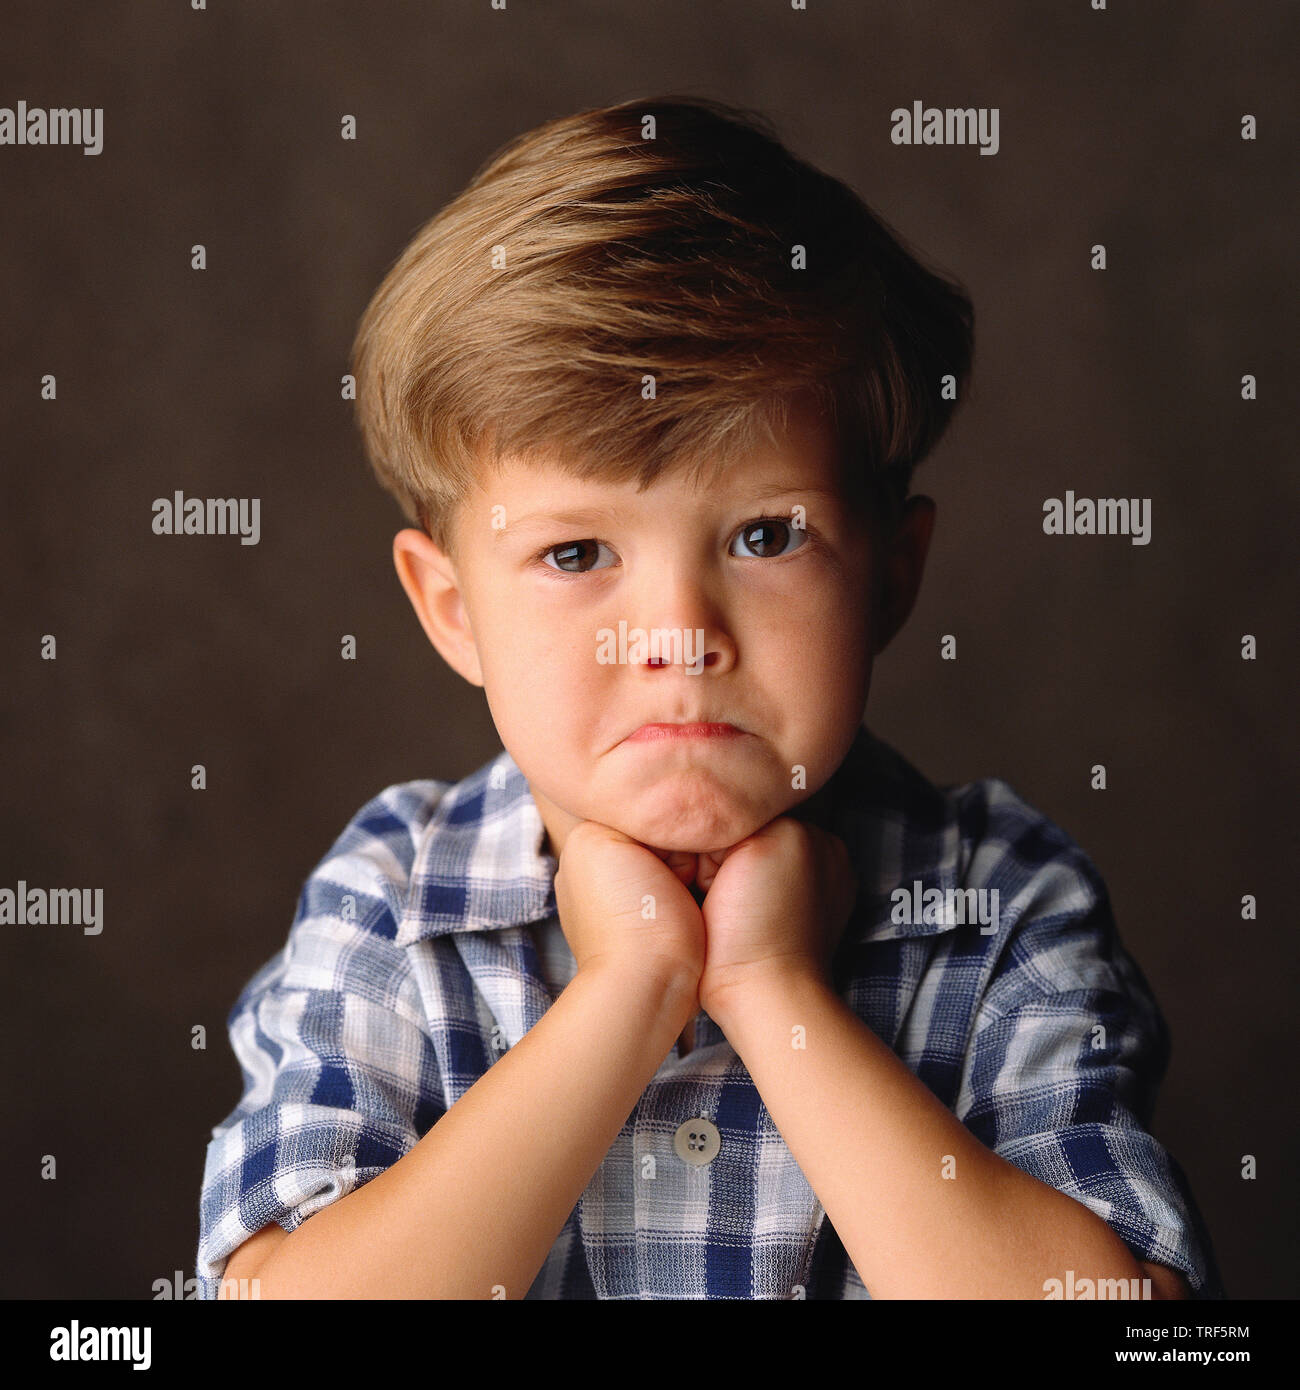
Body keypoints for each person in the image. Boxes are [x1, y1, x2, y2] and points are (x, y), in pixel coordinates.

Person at [195, 94, 1221, 1300]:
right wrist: (624, 996)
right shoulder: (392, 902)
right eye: (576, 554)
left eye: (766, 534)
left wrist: (774, 991)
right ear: (453, 609)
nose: (677, 636)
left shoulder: (997, 898)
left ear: (892, 575)